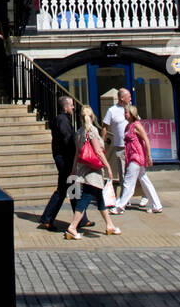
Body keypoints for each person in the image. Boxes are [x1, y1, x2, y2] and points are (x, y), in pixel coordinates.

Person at [64, 106, 120, 239]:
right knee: (85, 199)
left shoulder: (79, 132)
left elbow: (77, 154)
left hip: (83, 169)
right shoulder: (92, 131)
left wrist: (73, 170)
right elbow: (98, 152)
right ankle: (72, 227)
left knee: (100, 198)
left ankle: (109, 225)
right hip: (93, 171)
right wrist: (108, 167)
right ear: (92, 116)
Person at [38, 94, 92, 231]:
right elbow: (67, 138)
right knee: (63, 189)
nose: (74, 107)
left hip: (66, 158)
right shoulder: (62, 120)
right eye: (72, 105)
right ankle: (47, 219)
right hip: (65, 159)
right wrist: (77, 149)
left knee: (72, 189)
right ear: (66, 107)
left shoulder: (63, 119)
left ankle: (80, 219)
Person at [112, 105, 163, 214]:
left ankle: (120, 206)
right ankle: (157, 205)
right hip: (131, 156)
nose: (124, 114)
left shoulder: (137, 125)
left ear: (132, 114)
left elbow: (146, 140)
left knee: (128, 182)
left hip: (137, 156)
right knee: (145, 181)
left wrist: (149, 156)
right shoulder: (127, 126)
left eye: (126, 112)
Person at [102, 88, 133, 185]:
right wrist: (101, 142)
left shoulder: (131, 109)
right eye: (129, 97)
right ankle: (125, 199)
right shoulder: (112, 110)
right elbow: (104, 127)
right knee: (123, 174)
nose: (131, 99)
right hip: (120, 147)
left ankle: (143, 195)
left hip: (132, 145)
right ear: (122, 98)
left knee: (135, 172)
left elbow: (138, 123)